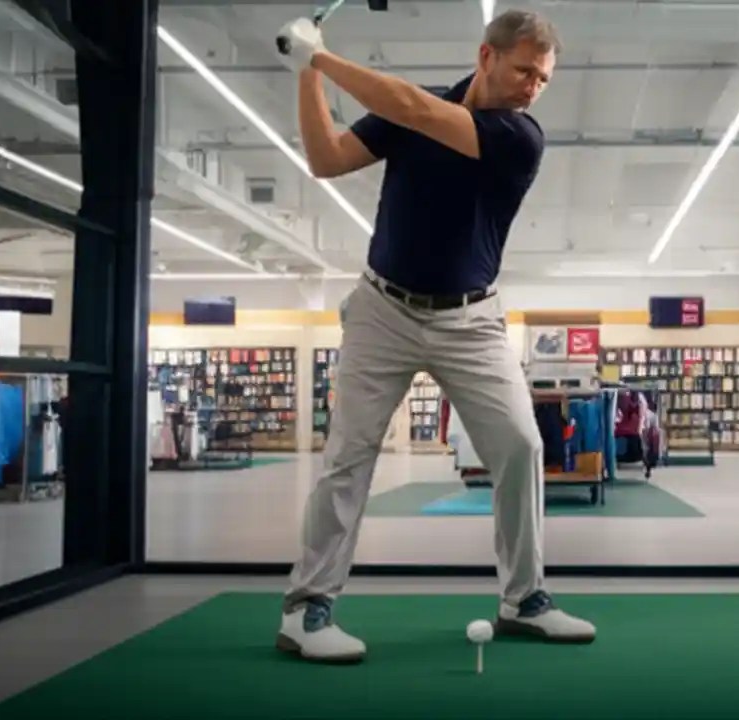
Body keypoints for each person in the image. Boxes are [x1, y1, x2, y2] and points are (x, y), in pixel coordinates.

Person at [273, 9, 597, 664]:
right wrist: (307, 73)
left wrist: (323, 59)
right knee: (348, 454)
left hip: (470, 321)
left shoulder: (518, 136)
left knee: (520, 444)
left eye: (544, 78)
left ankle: (523, 600)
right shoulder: (416, 108)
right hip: (381, 310)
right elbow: (325, 158)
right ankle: (307, 610)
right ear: (487, 56)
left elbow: (416, 112)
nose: (534, 86)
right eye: (524, 70)